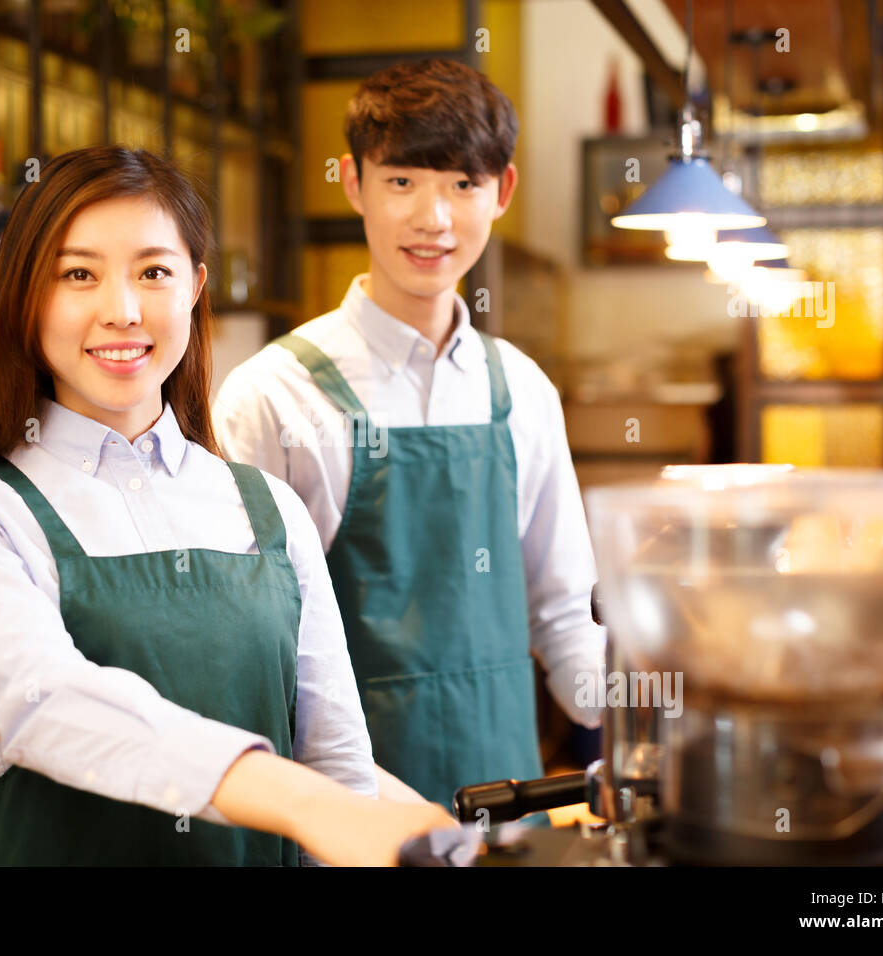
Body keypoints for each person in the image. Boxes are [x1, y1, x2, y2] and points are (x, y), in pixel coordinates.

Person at [0, 146, 455, 866]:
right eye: (78, 274)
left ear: (195, 288)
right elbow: (43, 702)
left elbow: (335, 761)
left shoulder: (267, 508)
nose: (122, 310)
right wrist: (299, 801)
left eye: (153, 273)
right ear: (26, 295)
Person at [212, 59, 607, 808]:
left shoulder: (522, 390)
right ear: (352, 182)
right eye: (402, 182)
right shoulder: (271, 397)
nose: (435, 219)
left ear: (503, 193)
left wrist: (659, 716)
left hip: (510, 812)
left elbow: (561, 614)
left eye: (464, 184)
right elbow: (249, 654)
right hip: (341, 823)